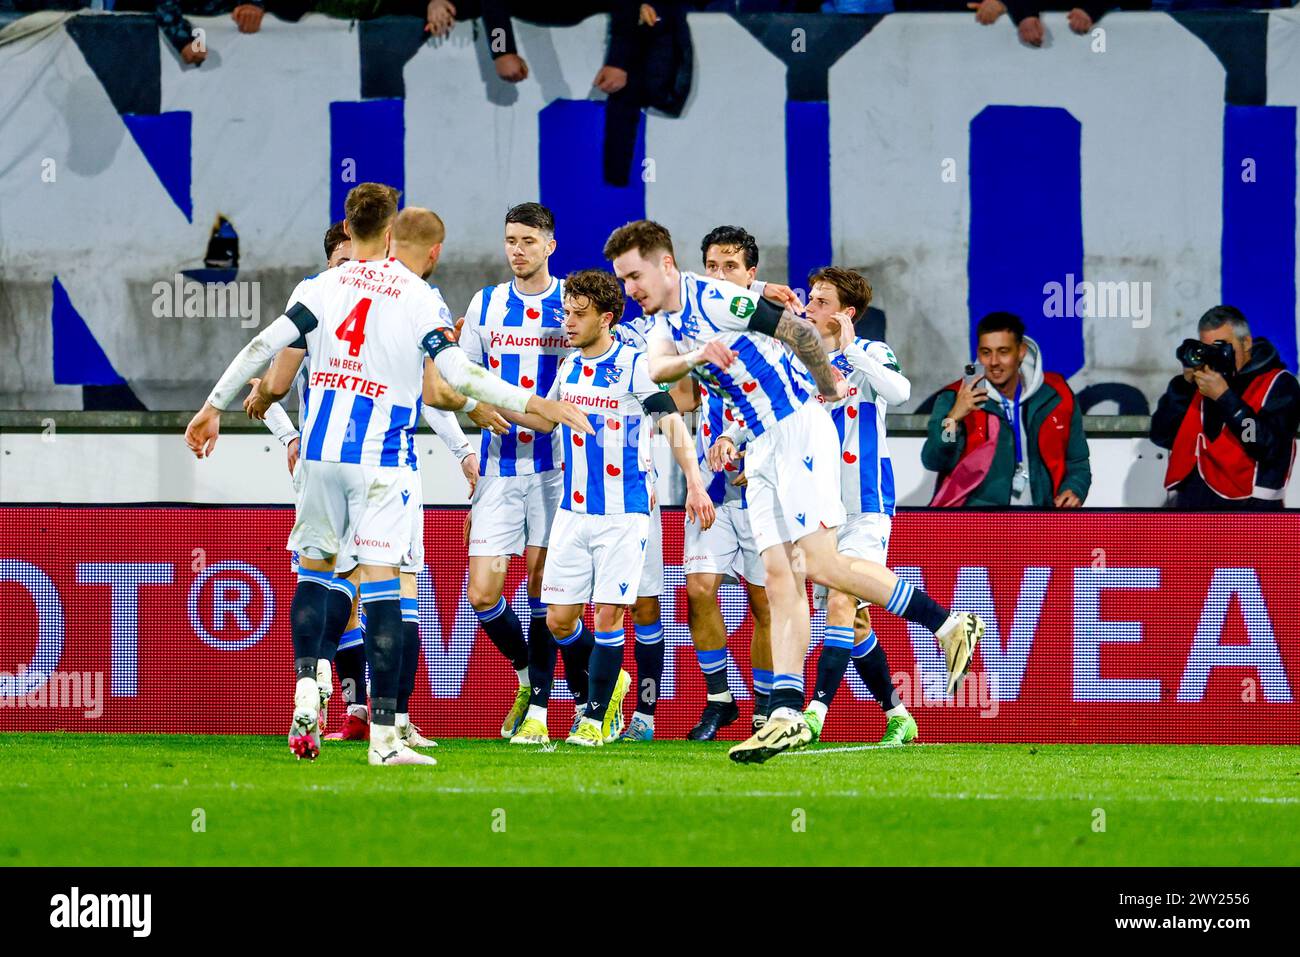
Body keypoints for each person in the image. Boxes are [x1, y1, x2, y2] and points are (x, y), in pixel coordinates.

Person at [184, 184, 589, 765]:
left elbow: (263, 346)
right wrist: (538, 404)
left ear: (349, 232)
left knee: (317, 574)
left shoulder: (319, 287)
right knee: (386, 592)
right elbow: (457, 376)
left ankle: (307, 681)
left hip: (319, 457)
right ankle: (385, 736)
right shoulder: (419, 296)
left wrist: (211, 406)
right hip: (382, 462)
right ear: (404, 240)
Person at [605, 219, 984, 763]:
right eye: (623, 280)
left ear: (665, 265)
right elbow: (660, 367)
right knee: (783, 578)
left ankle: (948, 623)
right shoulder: (666, 317)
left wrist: (824, 395)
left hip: (794, 429)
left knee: (822, 566)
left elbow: (801, 333)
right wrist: (699, 358)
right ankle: (784, 713)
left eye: (634, 276)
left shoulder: (710, 297)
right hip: (760, 444)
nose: (630, 289)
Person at [500, 269, 715, 747]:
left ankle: (594, 723)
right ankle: (612, 681)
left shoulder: (635, 365)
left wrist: (695, 484)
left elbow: (673, 424)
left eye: (579, 315)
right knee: (558, 619)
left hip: (626, 512)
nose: (569, 323)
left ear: (607, 318)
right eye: (566, 314)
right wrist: (487, 397)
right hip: (574, 513)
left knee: (611, 615)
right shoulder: (570, 367)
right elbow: (540, 418)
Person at [713, 266, 919, 747]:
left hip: (865, 500)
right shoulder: (798, 359)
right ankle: (897, 712)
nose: (808, 307)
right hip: (813, 503)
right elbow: (773, 410)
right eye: (810, 299)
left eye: (822, 302)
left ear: (847, 314)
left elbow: (901, 393)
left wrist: (849, 352)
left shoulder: (870, 354)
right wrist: (731, 435)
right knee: (853, 616)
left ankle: (812, 713)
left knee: (843, 604)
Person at [458, 202, 581, 739]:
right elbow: (454, 379)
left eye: (529, 240)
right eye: (511, 239)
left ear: (550, 245)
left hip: (557, 470)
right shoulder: (485, 304)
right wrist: (470, 413)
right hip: (498, 470)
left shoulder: (572, 305)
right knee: (483, 593)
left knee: (543, 589)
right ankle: (532, 678)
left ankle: (539, 710)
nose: (517, 249)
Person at [682, 226, 776, 741]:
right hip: (711, 490)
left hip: (764, 489)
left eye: (731, 267)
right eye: (712, 267)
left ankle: (764, 704)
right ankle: (720, 700)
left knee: (765, 603)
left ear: (751, 274)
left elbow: (789, 406)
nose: (719, 277)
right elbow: (678, 395)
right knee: (699, 590)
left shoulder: (770, 330)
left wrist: (750, 450)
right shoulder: (693, 329)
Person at [923, 311, 1090, 509]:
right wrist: (953, 419)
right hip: (976, 524)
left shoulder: (1056, 395)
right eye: (986, 352)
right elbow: (934, 460)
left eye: (1003, 352)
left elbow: (1078, 462)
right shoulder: (955, 398)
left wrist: (1074, 489)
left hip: (1040, 521)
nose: (994, 362)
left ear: (1021, 351)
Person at [1151, 305, 1300, 511]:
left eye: (1222, 347)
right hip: (1193, 505)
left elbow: (1267, 446)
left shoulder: (1279, 384)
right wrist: (1183, 387)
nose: (1216, 356)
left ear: (1246, 342)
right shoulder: (1200, 382)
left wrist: (1225, 398)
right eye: (1208, 348)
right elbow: (1161, 435)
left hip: (1251, 510)